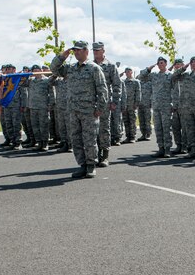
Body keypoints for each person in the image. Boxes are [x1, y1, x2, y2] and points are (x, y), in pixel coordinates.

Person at [50, 41, 107, 178]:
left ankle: (91, 165)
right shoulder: (70, 68)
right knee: (76, 139)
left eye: (79, 50)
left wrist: (100, 108)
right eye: (74, 50)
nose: (76, 53)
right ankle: (82, 165)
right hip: (73, 110)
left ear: (86, 51)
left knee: (89, 139)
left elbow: (102, 89)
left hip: (88, 111)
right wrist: (62, 56)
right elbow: (54, 69)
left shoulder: (94, 68)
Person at [139, 57, 173, 157]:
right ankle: (161, 148)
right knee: (158, 128)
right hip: (156, 105)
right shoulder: (154, 75)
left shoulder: (170, 75)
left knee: (166, 128)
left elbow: (175, 89)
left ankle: (167, 149)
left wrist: (174, 104)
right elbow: (141, 76)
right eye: (158, 63)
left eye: (162, 63)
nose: (160, 65)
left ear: (166, 64)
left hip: (166, 105)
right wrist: (149, 68)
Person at [27, 65, 54, 151]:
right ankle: (39, 142)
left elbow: (52, 93)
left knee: (44, 126)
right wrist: (25, 75)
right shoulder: (31, 80)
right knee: (35, 126)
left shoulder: (46, 80)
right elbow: (21, 83)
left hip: (43, 107)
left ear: (41, 70)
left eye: (37, 70)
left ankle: (45, 143)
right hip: (33, 106)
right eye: (34, 70)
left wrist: (51, 104)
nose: (36, 72)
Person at [121, 67, 141, 143]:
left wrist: (137, 103)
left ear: (131, 72)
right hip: (125, 105)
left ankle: (132, 137)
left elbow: (138, 93)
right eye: (126, 72)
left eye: (129, 71)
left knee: (132, 121)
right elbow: (121, 93)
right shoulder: (123, 82)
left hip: (132, 105)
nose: (127, 73)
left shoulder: (136, 82)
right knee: (126, 122)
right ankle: (128, 137)